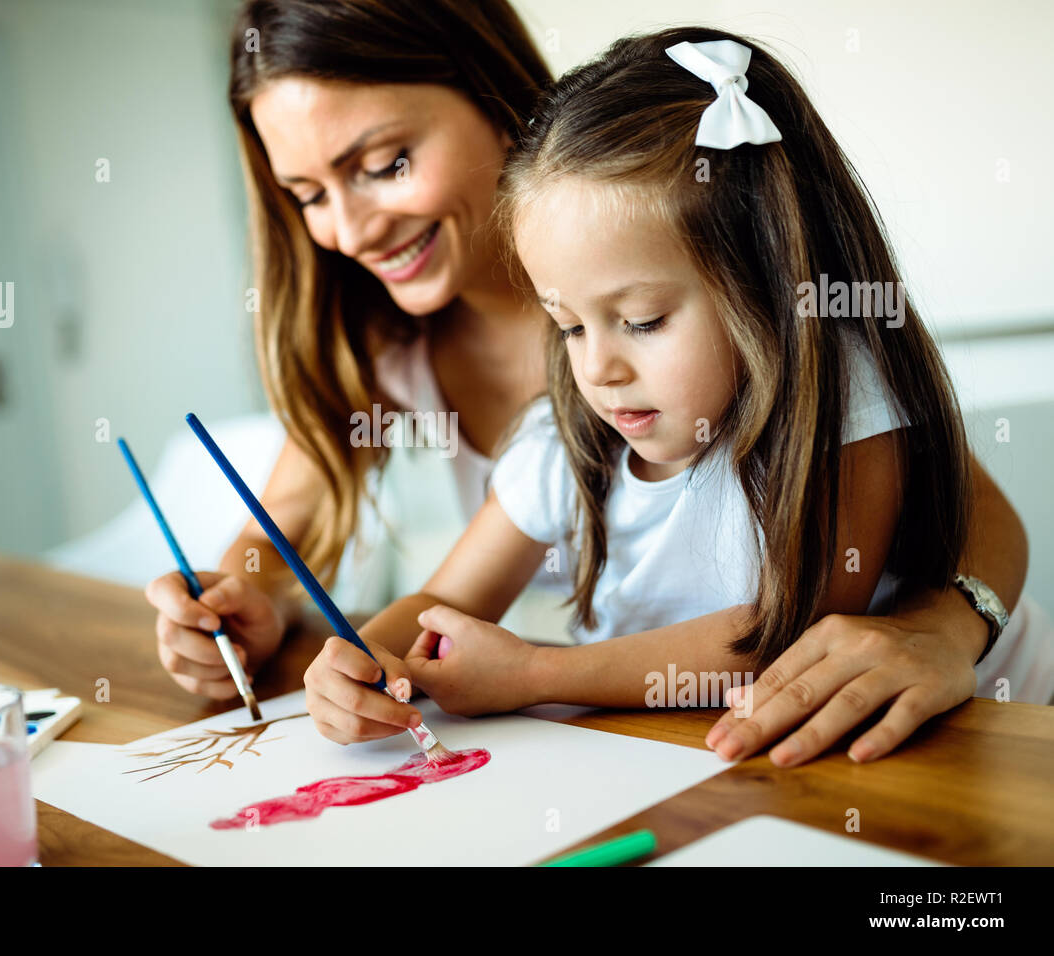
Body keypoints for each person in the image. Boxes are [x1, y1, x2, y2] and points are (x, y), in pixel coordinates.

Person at [147, 4, 1039, 767]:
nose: (348, 230)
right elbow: (313, 548)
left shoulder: (819, 363)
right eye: (306, 194)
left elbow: (810, 617)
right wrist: (329, 646)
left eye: (384, 163)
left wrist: (536, 672)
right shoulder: (528, 405)